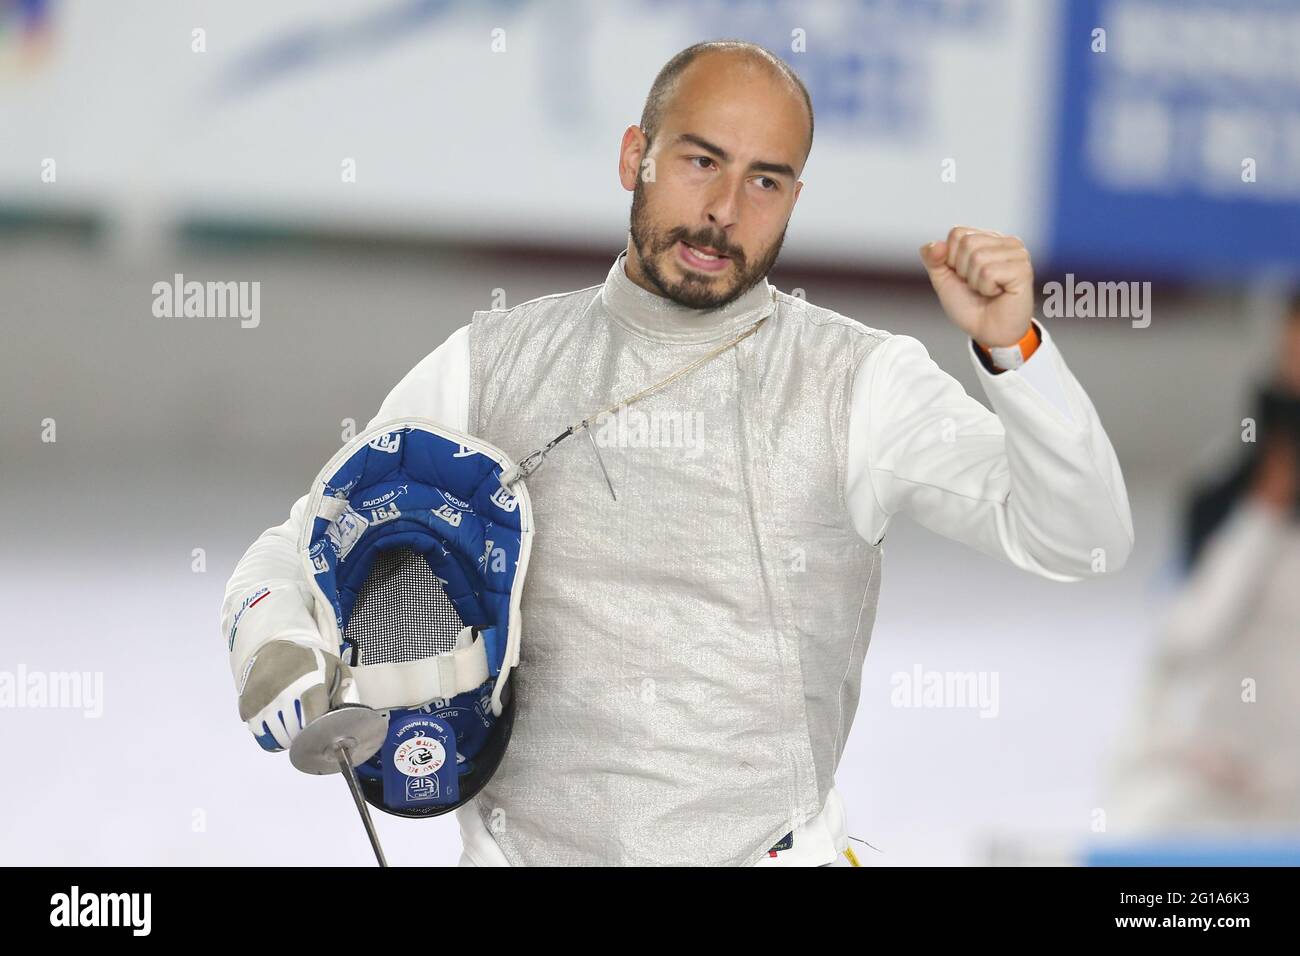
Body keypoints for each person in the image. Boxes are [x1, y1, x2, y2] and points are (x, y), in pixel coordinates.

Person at [222, 40, 1134, 866]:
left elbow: (1082, 538)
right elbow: (298, 547)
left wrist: (1015, 353)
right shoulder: (490, 368)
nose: (724, 212)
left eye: (765, 181)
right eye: (701, 162)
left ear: (794, 199)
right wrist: (275, 643)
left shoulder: (860, 384)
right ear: (636, 156)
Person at [1103, 296, 1300, 832]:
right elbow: (1185, 638)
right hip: (1206, 783)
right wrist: (1264, 512)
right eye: (1289, 362)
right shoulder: (1225, 491)